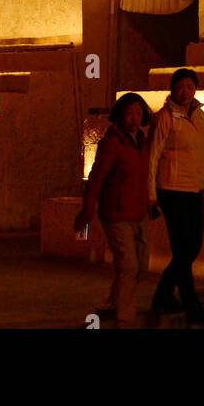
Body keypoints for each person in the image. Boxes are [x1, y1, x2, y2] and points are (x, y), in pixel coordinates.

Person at [74, 92, 152, 328]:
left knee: (140, 263)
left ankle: (112, 301)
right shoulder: (112, 143)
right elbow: (96, 178)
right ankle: (125, 316)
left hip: (138, 212)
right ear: (119, 115)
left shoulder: (142, 141)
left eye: (138, 113)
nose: (134, 118)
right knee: (128, 263)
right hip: (116, 214)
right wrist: (87, 210)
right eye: (129, 113)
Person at [148, 67, 204, 326]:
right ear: (172, 89)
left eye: (190, 87)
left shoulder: (200, 115)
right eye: (180, 87)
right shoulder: (165, 117)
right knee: (181, 247)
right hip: (171, 189)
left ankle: (163, 294)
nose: (185, 92)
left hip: (194, 189)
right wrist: (150, 194)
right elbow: (153, 155)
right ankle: (191, 302)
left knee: (193, 245)